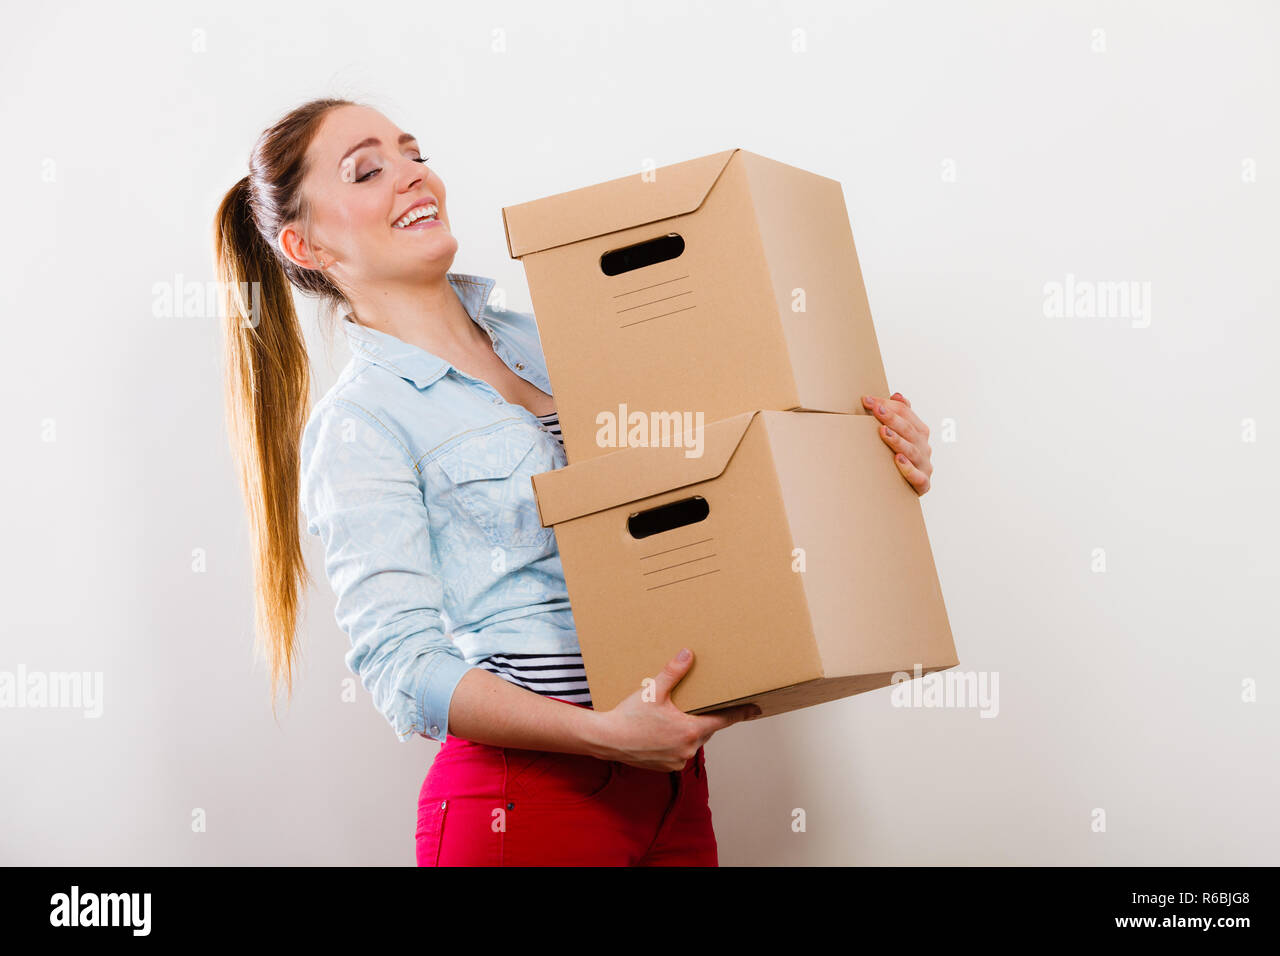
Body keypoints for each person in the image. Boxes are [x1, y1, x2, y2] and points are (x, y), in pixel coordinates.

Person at [211, 97, 936, 866]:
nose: (414, 177)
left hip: (673, 786)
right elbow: (403, 667)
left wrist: (866, 456)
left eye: (414, 152)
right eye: (368, 169)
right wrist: (602, 735)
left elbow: (720, 471)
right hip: (522, 805)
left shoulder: (562, 336)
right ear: (306, 244)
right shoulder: (364, 422)